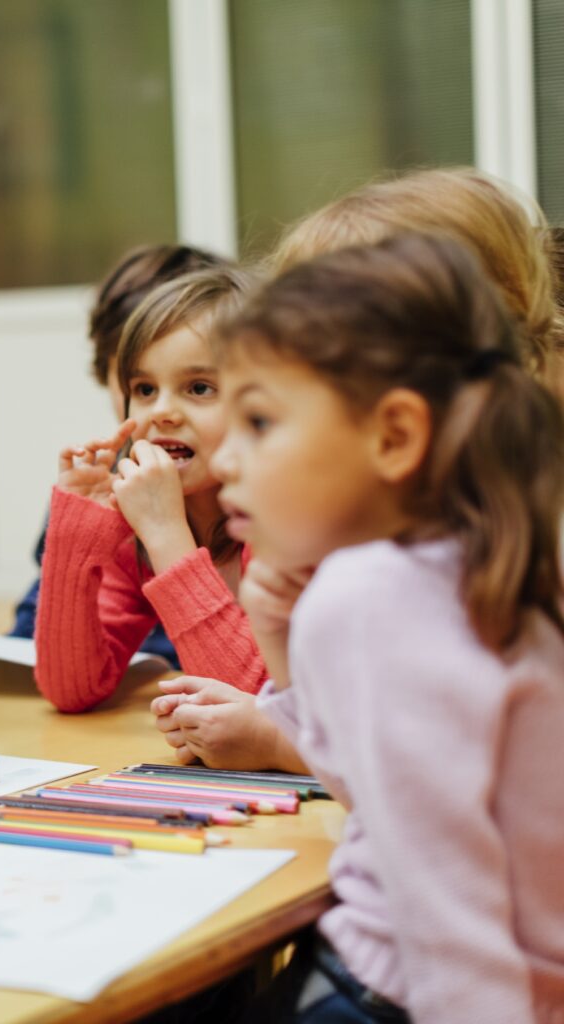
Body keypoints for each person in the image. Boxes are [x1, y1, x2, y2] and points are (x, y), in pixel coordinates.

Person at [215, 232, 564, 1023]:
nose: (226, 460)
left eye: (261, 422)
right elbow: (382, 795)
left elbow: (449, 904)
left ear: (395, 436)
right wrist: (281, 638)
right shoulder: (489, 551)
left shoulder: (369, 596)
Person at [155, 166, 564, 772]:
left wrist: (275, 734)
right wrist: (285, 672)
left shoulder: (408, 579)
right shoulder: (437, 541)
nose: (234, 456)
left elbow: (446, 831)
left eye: (267, 417)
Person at [34, 266, 266, 712]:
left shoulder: (287, 520)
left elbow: (256, 705)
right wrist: (74, 536)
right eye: (143, 388)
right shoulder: (137, 522)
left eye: (198, 388)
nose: (162, 412)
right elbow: (71, 689)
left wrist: (166, 532)